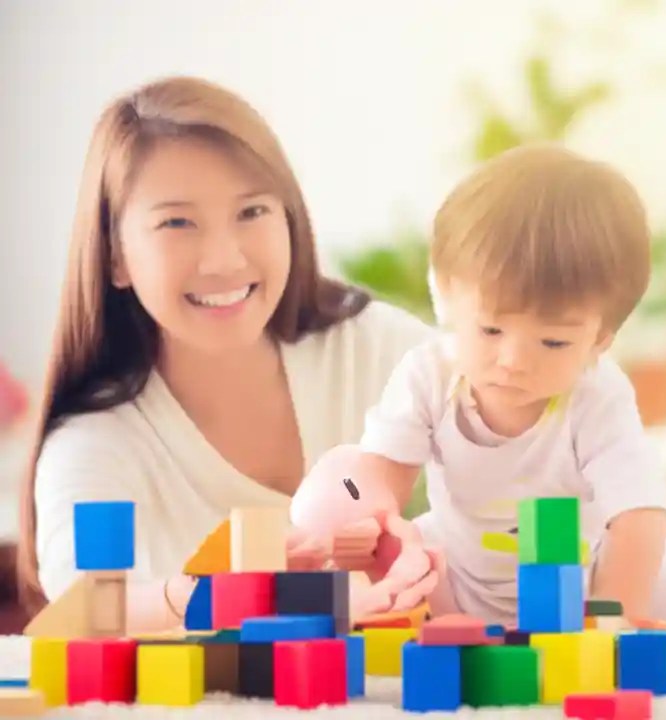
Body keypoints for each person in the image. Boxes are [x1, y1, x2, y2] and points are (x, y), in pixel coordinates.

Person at [16, 76, 434, 631]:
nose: (224, 260)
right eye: (177, 223)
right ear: (116, 257)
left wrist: (434, 542)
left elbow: (529, 417)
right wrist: (216, 594)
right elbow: (78, 612)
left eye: (252, 212)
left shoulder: (372, 349)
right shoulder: (99, 441)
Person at [356, 143, 666, 643]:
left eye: (553, 342)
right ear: (447, 294)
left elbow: (638, 512)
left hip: (578, 580)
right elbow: (378, 474)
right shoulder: (428, 374)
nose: (513, 361)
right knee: (383, 546)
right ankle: (448, 626)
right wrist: (372, 519)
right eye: (490, 330)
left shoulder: (598, 395)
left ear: (601, 339)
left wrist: (612, 622)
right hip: (454, 575)